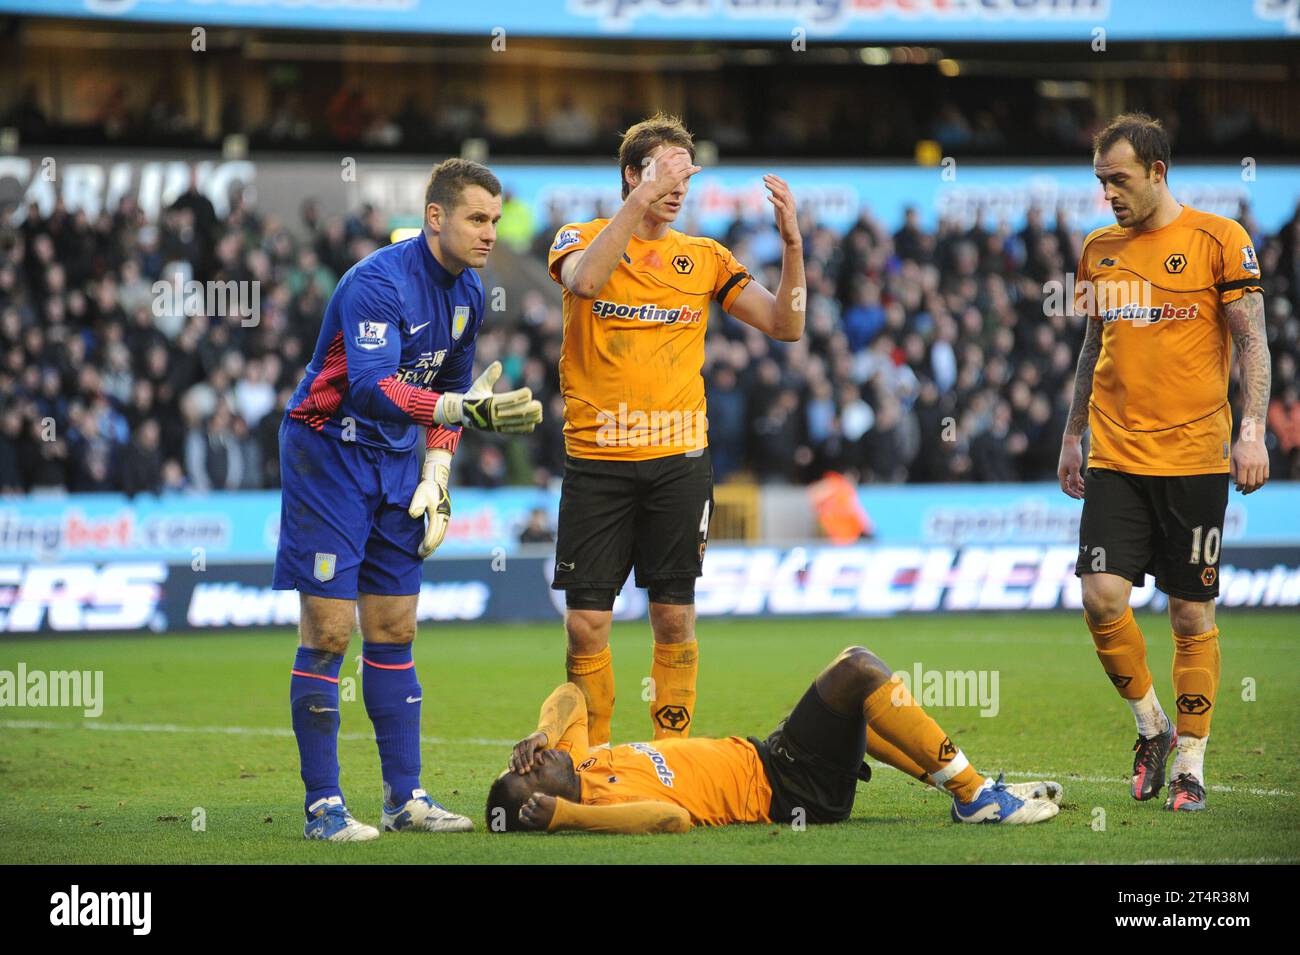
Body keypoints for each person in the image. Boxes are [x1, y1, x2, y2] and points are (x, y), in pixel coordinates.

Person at [273, 158, 542, 842]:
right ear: (436, 218)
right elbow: (368, 384)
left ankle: (404, 798)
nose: (489, 232)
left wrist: (440, 470)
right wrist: (455, 407)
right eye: (477, 219)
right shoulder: (377, 282)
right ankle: (324, 807)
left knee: (394, 628)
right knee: (331, 631)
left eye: (494, 220)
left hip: (396, 461)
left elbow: (458, 386)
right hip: (328, 451)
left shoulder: (470, 294)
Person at [545, 113, 806, 746]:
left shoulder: (705, 257)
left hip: (679, 463)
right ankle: (591, 756)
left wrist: (793, 247)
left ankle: (673, 755)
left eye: (687, 173)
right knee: (585, 624)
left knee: (673, 618)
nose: (679, 185)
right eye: (666, 171)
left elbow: (785, 324)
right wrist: (639, 201)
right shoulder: (577, 237)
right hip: (598, 459)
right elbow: (587, 282)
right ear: (632, 175)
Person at [1057, 113, 1270, 813]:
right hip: (1117, 454)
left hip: (1197, 460)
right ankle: (1152, 725)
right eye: (1099, 181)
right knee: (1100, 597)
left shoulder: (1220, 241)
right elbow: (1093, 344)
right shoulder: (1098, 250)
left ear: (1157, 171)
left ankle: (1191, 762)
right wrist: (1071, 433)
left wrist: (1252, 431)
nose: (1108, 194)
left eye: (1118, 179)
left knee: (1189, 613)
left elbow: (1253, 345)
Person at [486, 646, 1061, 833]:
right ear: (540, 803)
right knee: (858, 670)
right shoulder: (599, 802)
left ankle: (975, 787)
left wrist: (540, 731)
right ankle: (975, 797)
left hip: (773, 753)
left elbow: (573, 697)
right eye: (534, 770)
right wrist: (568, 815)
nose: (543, 758)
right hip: (792, 790)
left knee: (859, 701)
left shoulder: (578, 761)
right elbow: (672, 820)